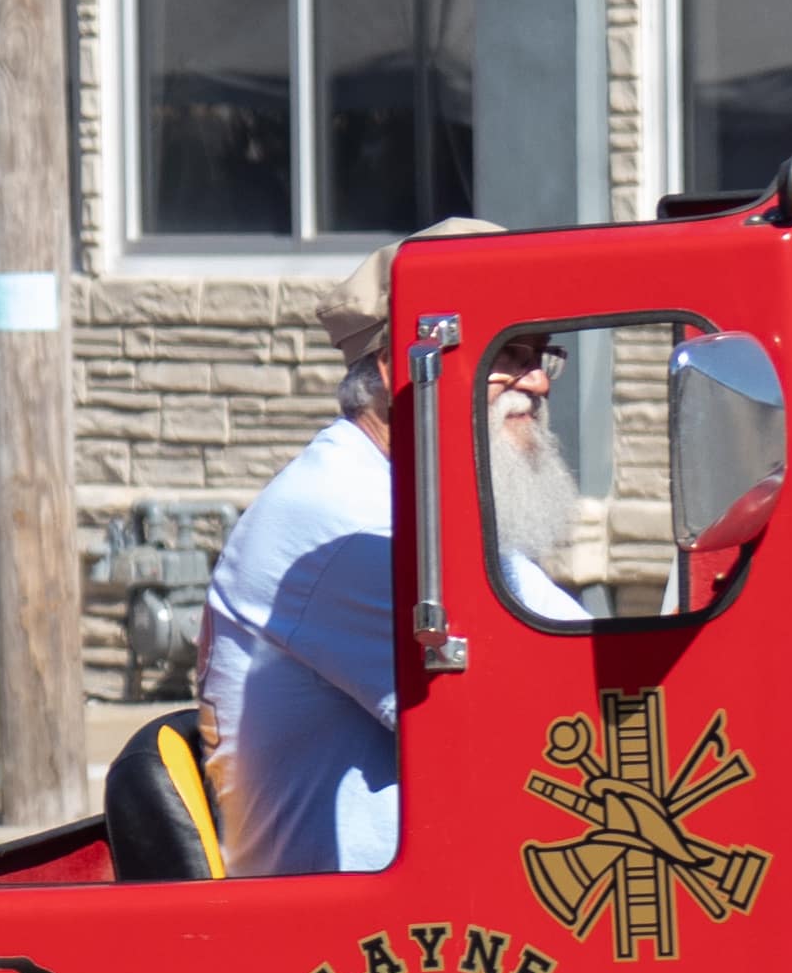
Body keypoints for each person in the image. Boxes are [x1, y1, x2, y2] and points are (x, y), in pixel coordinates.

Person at [200, 220, 583, 877]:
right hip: (348, 952)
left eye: (539, 353)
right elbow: (555, 703)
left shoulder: (419, 498)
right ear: (398, 367)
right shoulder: (346, 520)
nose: (539, 383)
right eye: (507, 353)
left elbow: (576, 655)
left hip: (435, 926)